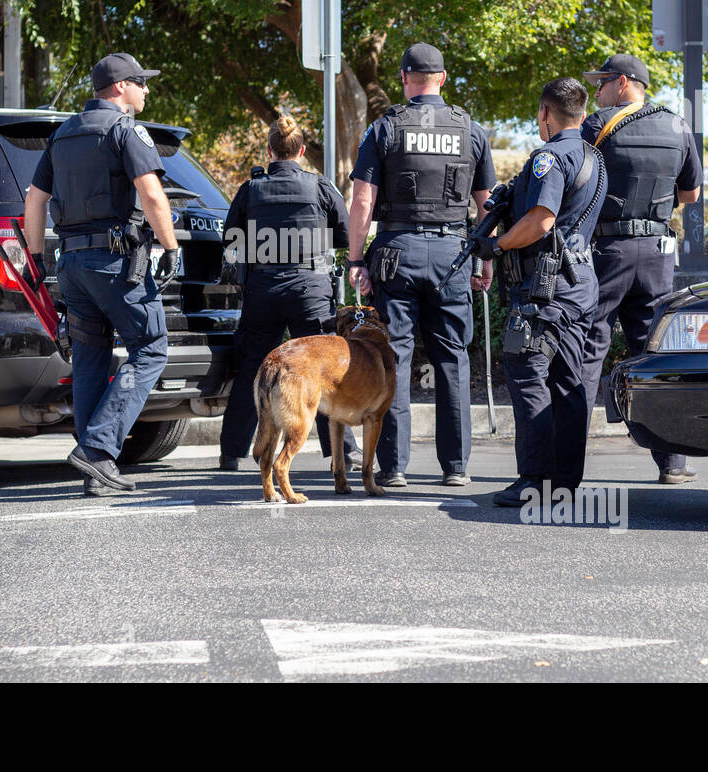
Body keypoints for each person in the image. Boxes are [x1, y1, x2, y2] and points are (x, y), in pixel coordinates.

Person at [23, 53, 180, 496]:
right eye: (139, 82)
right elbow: (151, 194)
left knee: (90, 357)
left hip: (71, 266)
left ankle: (95, 467)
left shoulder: (62, 134)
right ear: (118, 88)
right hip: (114, 265)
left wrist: (36, 261)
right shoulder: (124, 130)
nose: (145, 90)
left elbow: (34, 201)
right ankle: (98, 448)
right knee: (151, 348)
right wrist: (170, 247)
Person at [347, 42, 496, 487]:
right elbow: (486, 205)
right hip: (453, 254)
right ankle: (456, 468)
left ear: (404, 78)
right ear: (443, 79)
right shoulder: (470, 130)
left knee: (394, 360)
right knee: (453, 359)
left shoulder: (384, 129)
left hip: (398, 254)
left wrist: (356, 259)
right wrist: (485, 256)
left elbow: (361, 200)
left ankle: (393, 467)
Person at [577, 54, 704, 484]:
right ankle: (673, 464)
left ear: (625, 83)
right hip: (657, 252)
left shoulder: (597, 126)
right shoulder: (677, 126)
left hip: (608, 249)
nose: (596, 90)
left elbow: (577, 183)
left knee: (588, 349)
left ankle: (567, 462)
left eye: (602, 82)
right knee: (653, 354)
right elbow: (690, 194)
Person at [480, 78, 605, 507]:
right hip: (580, 283)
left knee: (527, 372)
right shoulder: (594, 157)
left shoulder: (549, 159)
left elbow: (541, 221)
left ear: (544, 114)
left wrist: (497, 245)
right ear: (582, 115)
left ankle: (534, 479)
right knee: (568, 379)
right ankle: (565, 482)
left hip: (545, 288)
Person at [217, 115, 363, 471]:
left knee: (253, 368)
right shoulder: (320, 187)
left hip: (263, 290)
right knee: (323, 373)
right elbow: (345, 237)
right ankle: (342, 453)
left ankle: (232, 453)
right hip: (309, 292)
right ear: (301, 151)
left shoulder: (250, 190)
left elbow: (231, 239)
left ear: (269, 150)